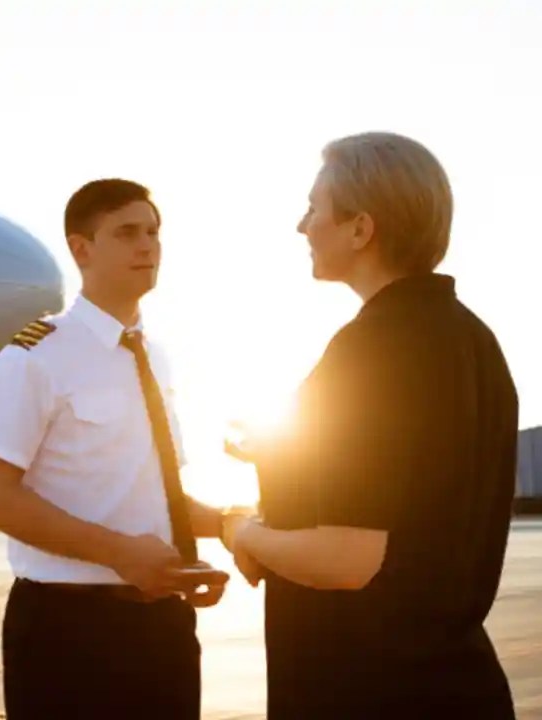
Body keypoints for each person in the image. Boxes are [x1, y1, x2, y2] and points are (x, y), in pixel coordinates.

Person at [219, 132, 520, 718]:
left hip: (370, 689)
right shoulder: (472, 340)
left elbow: (353, 556)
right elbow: (420, 507)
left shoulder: (372, 349)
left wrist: (244, 535)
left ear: (361, 229)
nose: (301, 225)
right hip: (456, 682)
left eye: (313, 208)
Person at [0, 178, 229, 719]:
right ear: (81, 249)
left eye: (154, 232)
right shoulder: (34, 357)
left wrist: (228, 525)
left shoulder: (156, 357)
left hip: (164, 624)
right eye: (127, 232)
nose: (148, 246)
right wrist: (119, 553)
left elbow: (152, 495)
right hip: (68, 633)